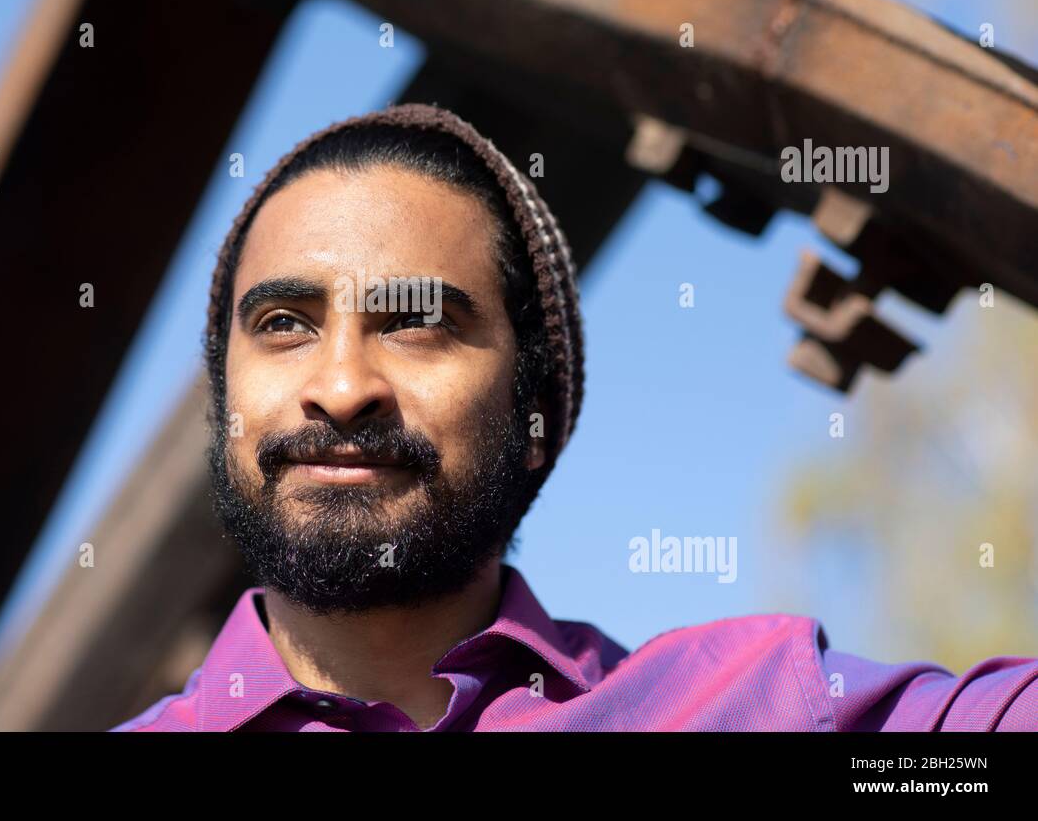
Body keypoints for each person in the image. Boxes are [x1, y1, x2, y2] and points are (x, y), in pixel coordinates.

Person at [111, 103, 1036, 731]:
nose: (343, 384)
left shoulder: (743, 706)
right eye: (284, 325)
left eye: (419, 325)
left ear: (537, 412)